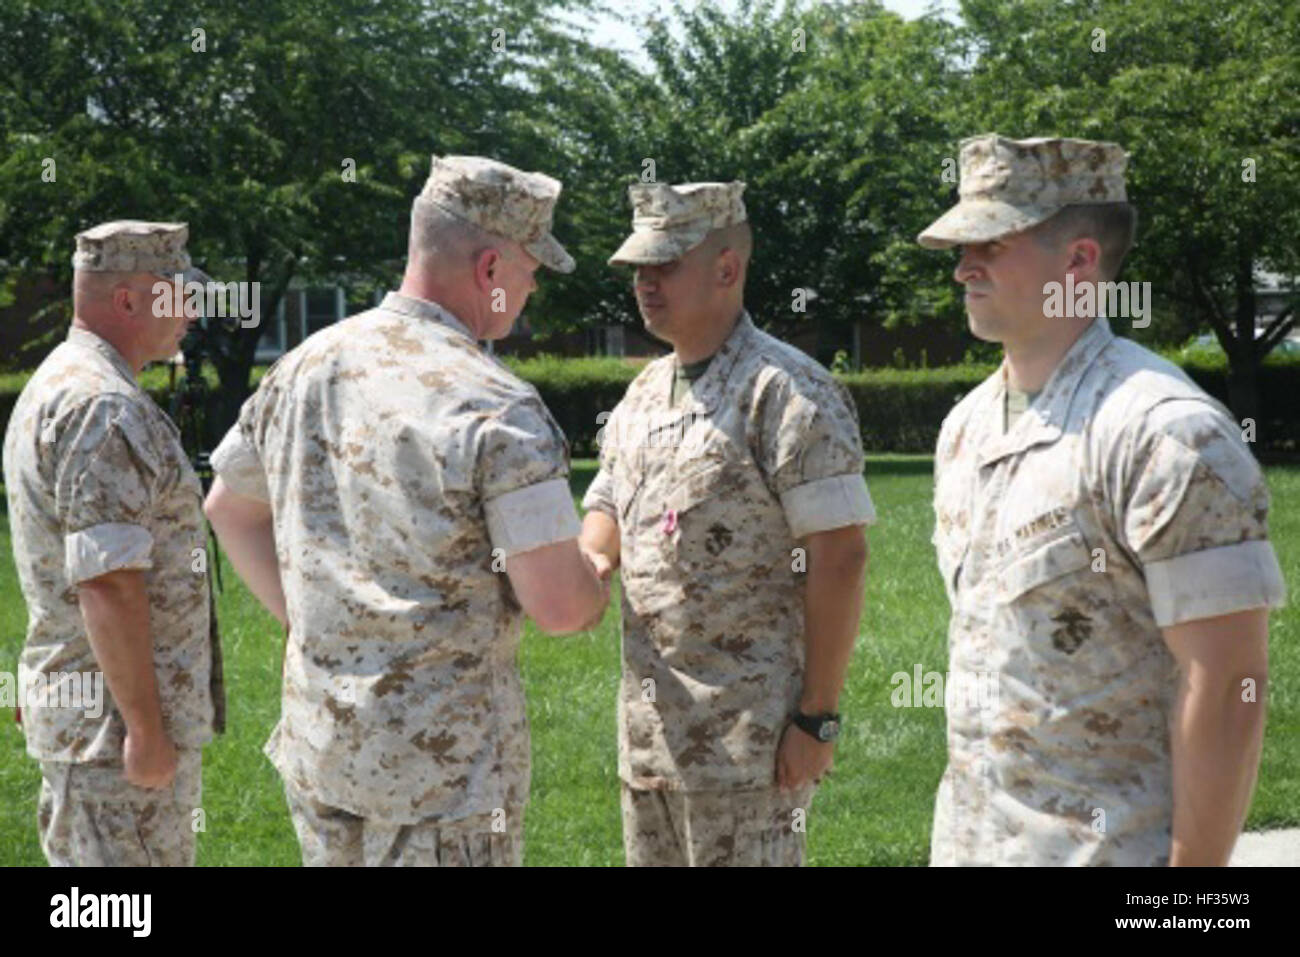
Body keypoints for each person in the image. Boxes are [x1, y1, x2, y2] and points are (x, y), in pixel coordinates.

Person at [203, 155, 608, 867]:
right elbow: (561, 608)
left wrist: (314, 619)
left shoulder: (306, 364)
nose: (533, 285)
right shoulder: (498, 405)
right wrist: (601, 564)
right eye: (530, 268)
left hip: (326, 745)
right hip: (445, 779)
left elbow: (227, 507)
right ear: (489, 269)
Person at [919, 133, 1288, 866]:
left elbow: (1227, 681)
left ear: (1079, 262)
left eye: (991, 244)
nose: (964, 266)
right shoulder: (965, 429)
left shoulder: (1167, 435)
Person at [580, 181, 875, 866]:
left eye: (665, 264)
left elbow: (840, 557)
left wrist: (818, 715)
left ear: (726, 267)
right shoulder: (644, 393)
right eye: (638, 269)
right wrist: (586, 563)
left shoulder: (787, 391)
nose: (645, 283)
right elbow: (604, 512)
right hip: (652, 740)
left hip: (753, 748)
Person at [4, 220, 215, 866]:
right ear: (127, 301)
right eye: (177, 293)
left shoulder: (68, 383)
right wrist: (147, 730)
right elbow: (109, 580)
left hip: (94, 728)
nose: (191, 309)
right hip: (113, 740)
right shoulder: (101, 407)